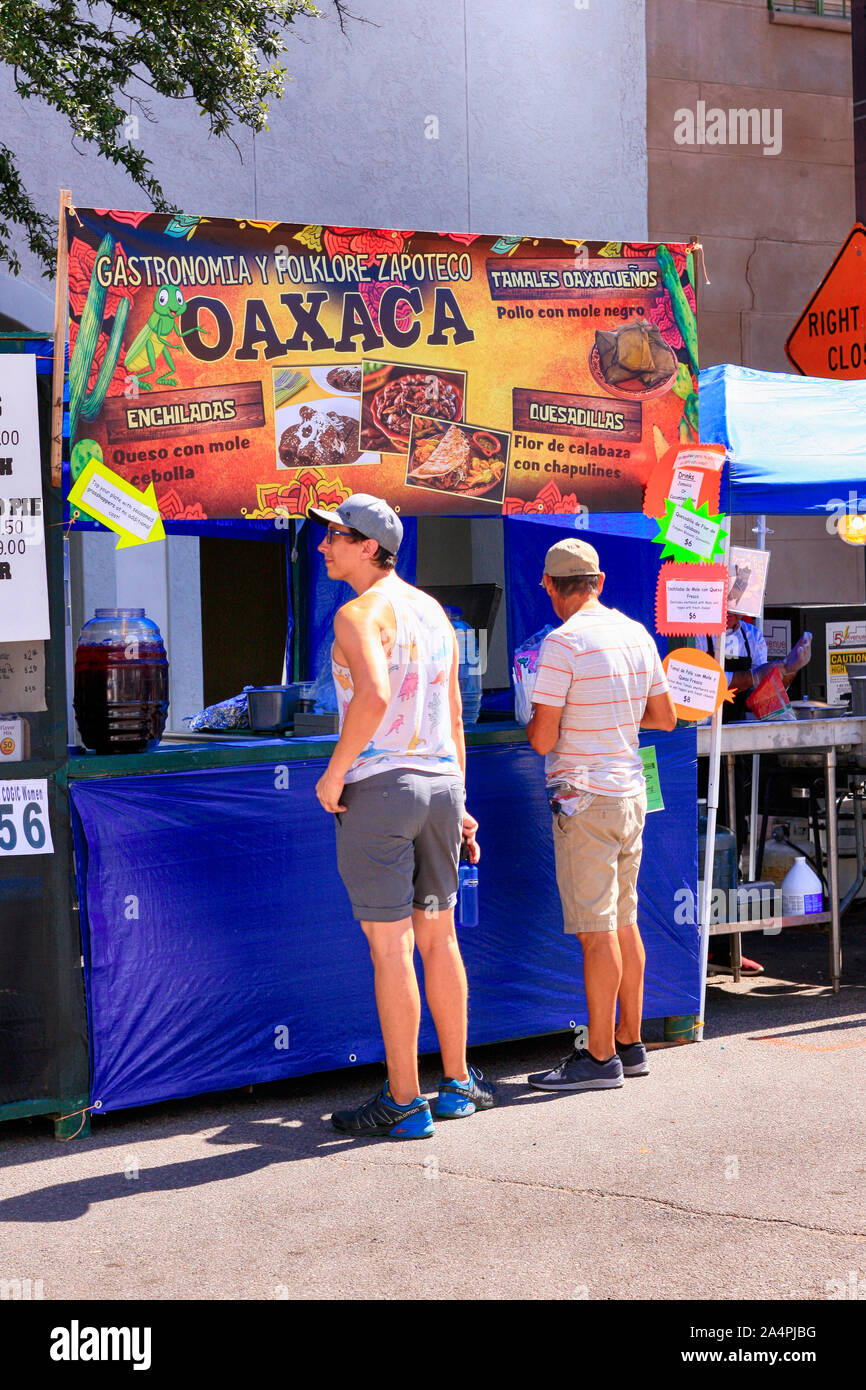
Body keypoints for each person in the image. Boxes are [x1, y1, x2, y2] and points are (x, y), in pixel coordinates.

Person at [308, 493, 495, 1139]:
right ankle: (458, 1083)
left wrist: (334, 772)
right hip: (441, 784)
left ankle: (406, 1102)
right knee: (440, 940)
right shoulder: (433, 613)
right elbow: (451, 715)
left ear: (369, 546)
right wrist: (462, 798)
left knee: (391, 952)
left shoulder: (358, 613)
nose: (324, 544)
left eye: (336, 535)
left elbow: (376, 695)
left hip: (382, 789)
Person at [524, 539, 677, 1093]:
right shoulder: (636, 633)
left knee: (596, 932)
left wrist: (542, 717)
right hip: (631, 793)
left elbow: (541, 739)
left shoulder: (561, 645)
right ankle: (631, 1043)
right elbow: (664, 717)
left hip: (583, 799)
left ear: (548, 586)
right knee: (625, 921)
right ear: (600, 581)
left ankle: (599, 1056)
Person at [695, 615, 811, 975]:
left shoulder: (751, 635)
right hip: (699, 747)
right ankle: (698, 944)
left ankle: (726, 946)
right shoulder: (694, 632)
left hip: (738, 746)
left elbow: (762, 695)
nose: (731, 613)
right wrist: (760, 673)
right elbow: (710, 681)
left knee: (736, 838)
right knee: (704, 844)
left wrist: (788, 670)